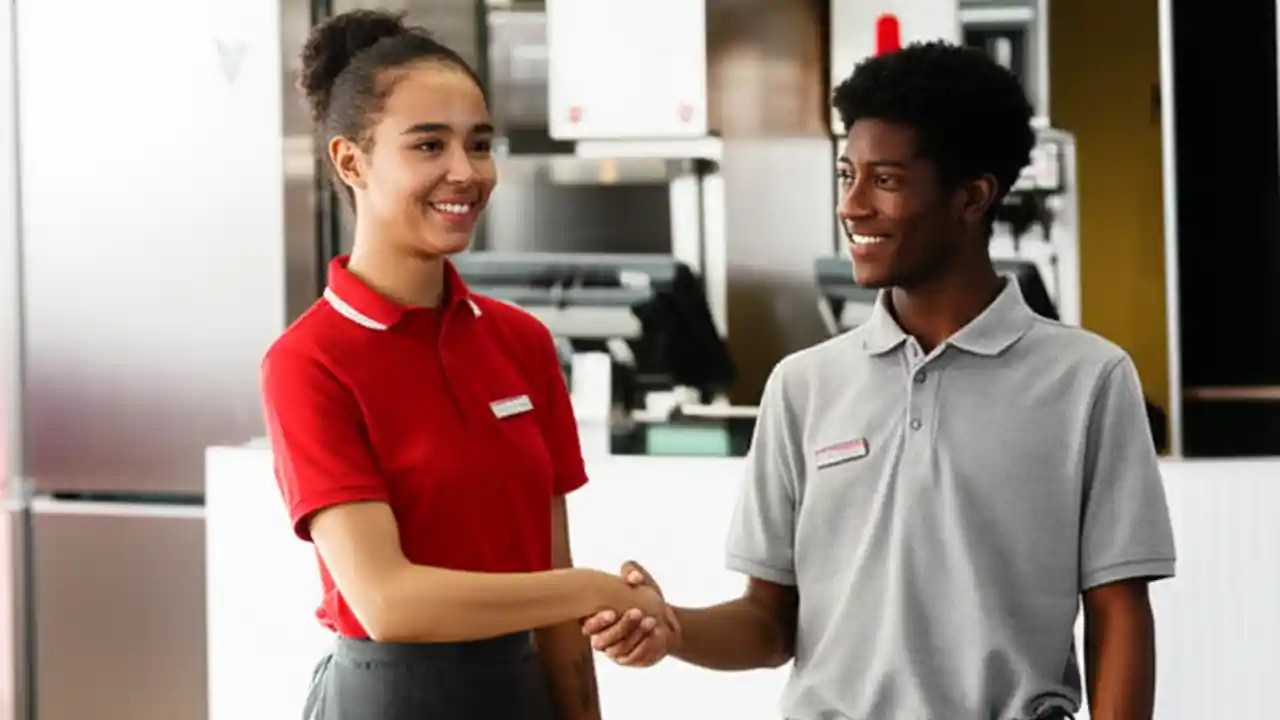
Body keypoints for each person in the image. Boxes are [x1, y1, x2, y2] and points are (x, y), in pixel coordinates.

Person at [584, 41, 1176, 720]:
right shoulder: (803, 386)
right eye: (846, 174)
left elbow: (1120, 614)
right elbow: (770, 623)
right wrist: (674, 628)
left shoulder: (1089, 381)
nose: (852, 206)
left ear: (973, 196)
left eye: (885, 180)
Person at [259, 10, 667, 719]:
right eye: (428, 145)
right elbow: (387, 602)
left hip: (520, 691)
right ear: (350, 161)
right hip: (389, 698)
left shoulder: (521, 343)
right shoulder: (309, 362)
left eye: (479, 144)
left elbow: (550, 585)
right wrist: (591, 589)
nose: (466, 172)